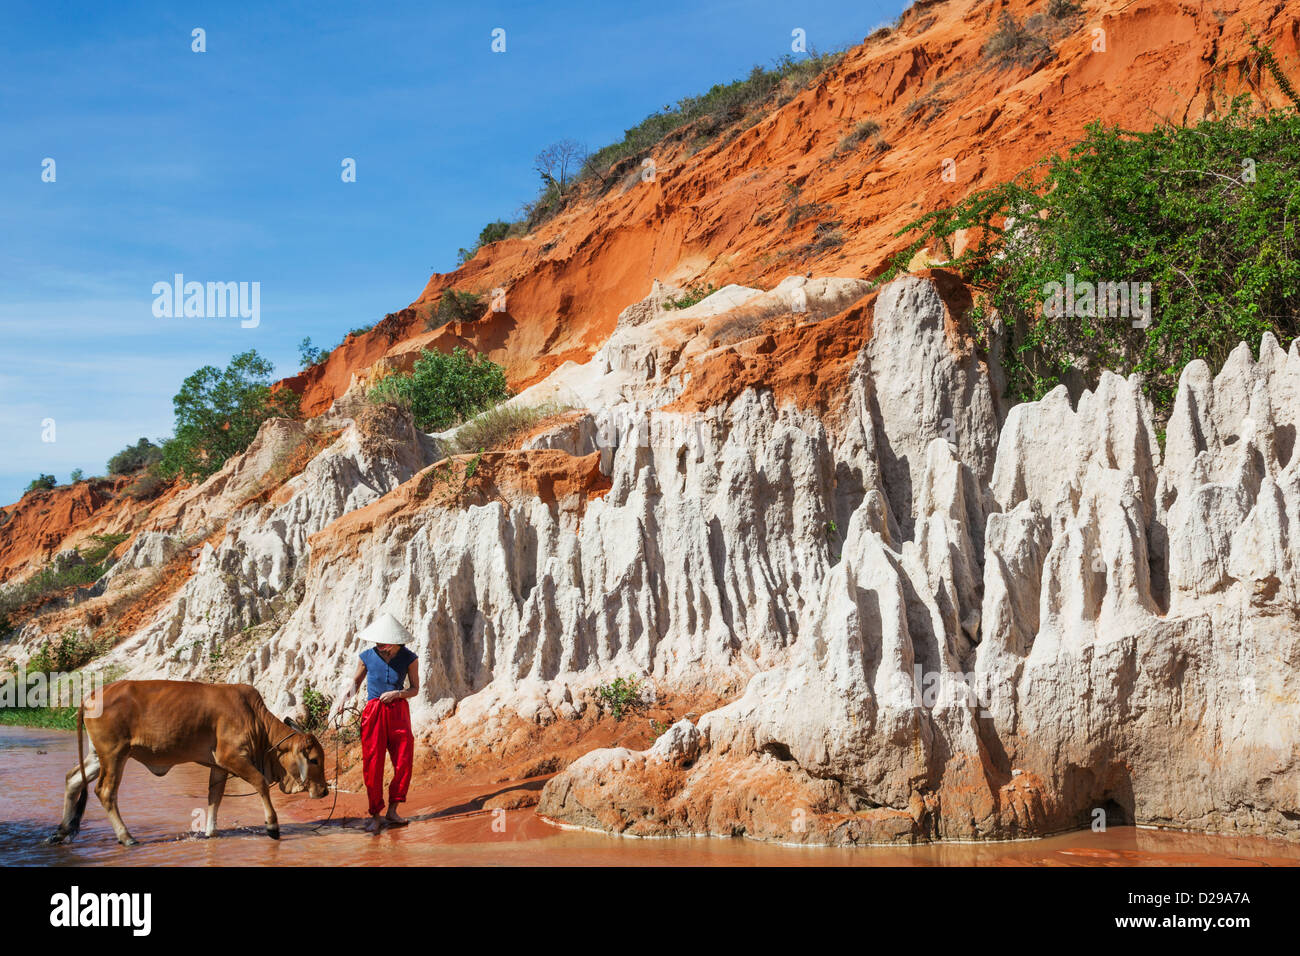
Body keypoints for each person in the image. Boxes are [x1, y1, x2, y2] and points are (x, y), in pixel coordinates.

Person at [331, 612, 419, 832]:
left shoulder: (410, 658)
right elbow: (355, 682)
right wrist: (343, 699)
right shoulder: (367, 656)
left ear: (395, 641)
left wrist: (397, 694)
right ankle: (376, 815)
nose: (379, 646)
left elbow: (415, 689)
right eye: (377, 642)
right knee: (373, 763)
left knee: (404, 760)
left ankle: (393, 810)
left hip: (398, 711)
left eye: (383, 643)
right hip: (373, 712)